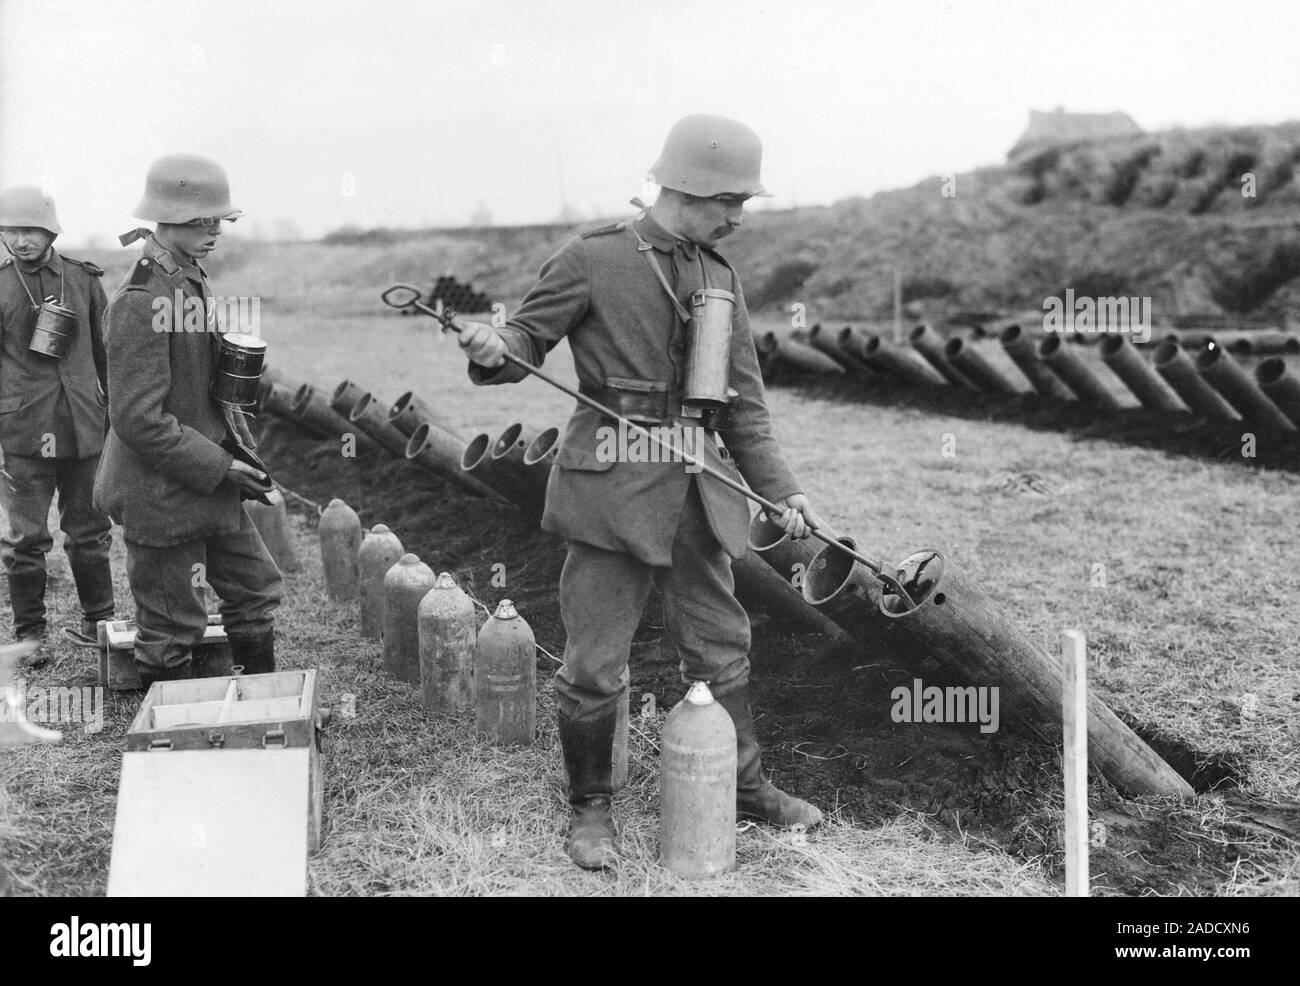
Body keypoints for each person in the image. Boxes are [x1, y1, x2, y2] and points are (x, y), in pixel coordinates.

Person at [457, 114, 824, 870]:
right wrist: (496, 350)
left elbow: (743, 405)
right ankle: (591, 807)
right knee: (596, 659)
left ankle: (745, 784)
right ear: (687, 186)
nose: (738, 216)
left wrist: (782, 490)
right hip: (610, 496)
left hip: (698, 494)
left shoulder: (720, 276)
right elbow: (524, 342)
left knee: (721, 644)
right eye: (731, 200)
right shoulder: (593, 258)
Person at [93, 153, 281, 688]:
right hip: (159, 489)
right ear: (164, 218)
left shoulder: (189, 278)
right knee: (173, 625)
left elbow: (196, 383)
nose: (213, 231)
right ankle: (168, 742)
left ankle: (259, 701)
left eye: (218, 220)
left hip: (204, 478)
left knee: (255, 588)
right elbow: (137, 419)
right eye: (201, 221)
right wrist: (220, 466)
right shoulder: (140, 299)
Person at [0, 186, 115, 663]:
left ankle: (101, 623)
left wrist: (119, 416)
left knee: (89, 529)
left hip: (83, 426)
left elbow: (110, 353)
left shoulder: (82, 279)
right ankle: (30, 636)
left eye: (30, 231)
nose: (21, 240)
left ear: (50, 231)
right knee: (26, 538)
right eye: (11, 231)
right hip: (23, 432)